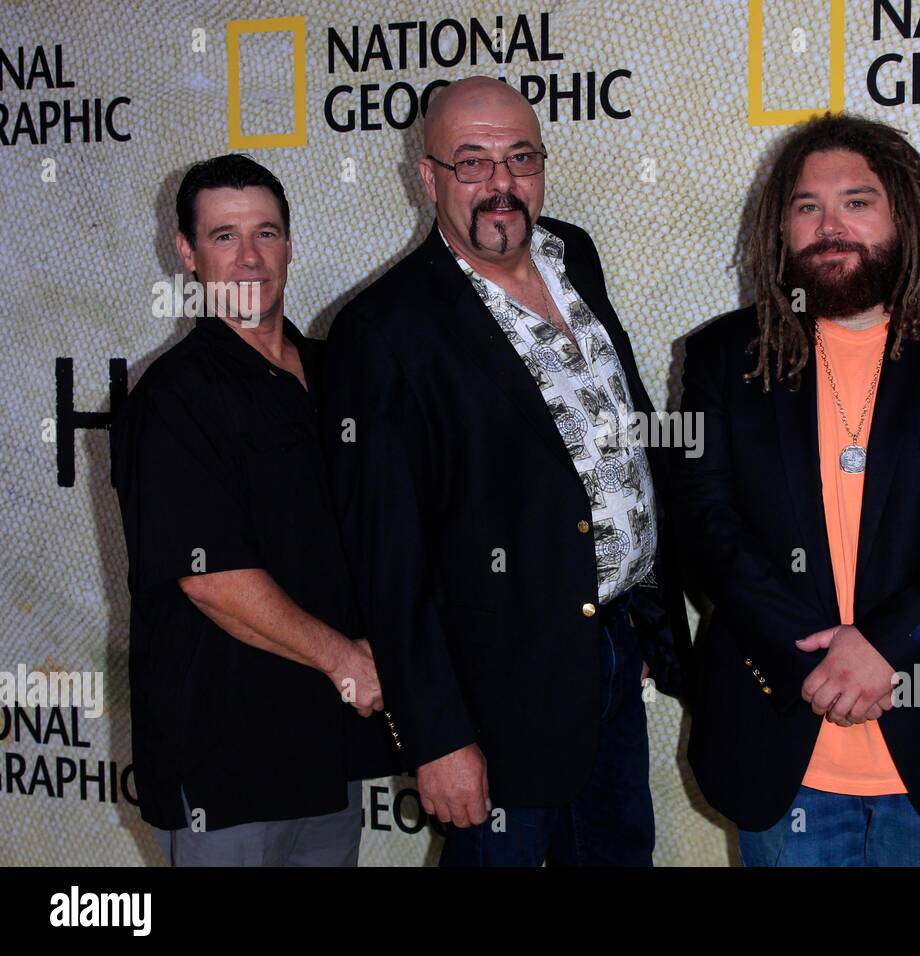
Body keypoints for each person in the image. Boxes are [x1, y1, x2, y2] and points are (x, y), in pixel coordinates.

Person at [676, 113, 920, 866]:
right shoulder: (723, 356)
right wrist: (815, 669)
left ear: (905, 214)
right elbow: (704, 525)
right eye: (807, 207)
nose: (831, 226)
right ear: (780, 229)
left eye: (858, 202)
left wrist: (893, 646)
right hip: (783, 743)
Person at [321, 77, 690, 867]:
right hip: (491, 691)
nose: (500, 184)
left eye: (520, 158)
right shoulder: (381, 331)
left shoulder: (573, 254)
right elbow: (389, 561)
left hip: (614, 651)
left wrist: (650, 606)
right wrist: (439, 737)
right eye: (472, 162)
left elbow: (611, 438)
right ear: (428, 178)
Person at [112, 154, 387, 866]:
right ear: (187, 252)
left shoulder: (338, 373)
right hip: (224, 765)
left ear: (290, 244)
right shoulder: (172, 399)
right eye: (224, 236)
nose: (249, 257)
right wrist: (345, 661)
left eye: (265, 233)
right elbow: (211, 578)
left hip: (330, 754)